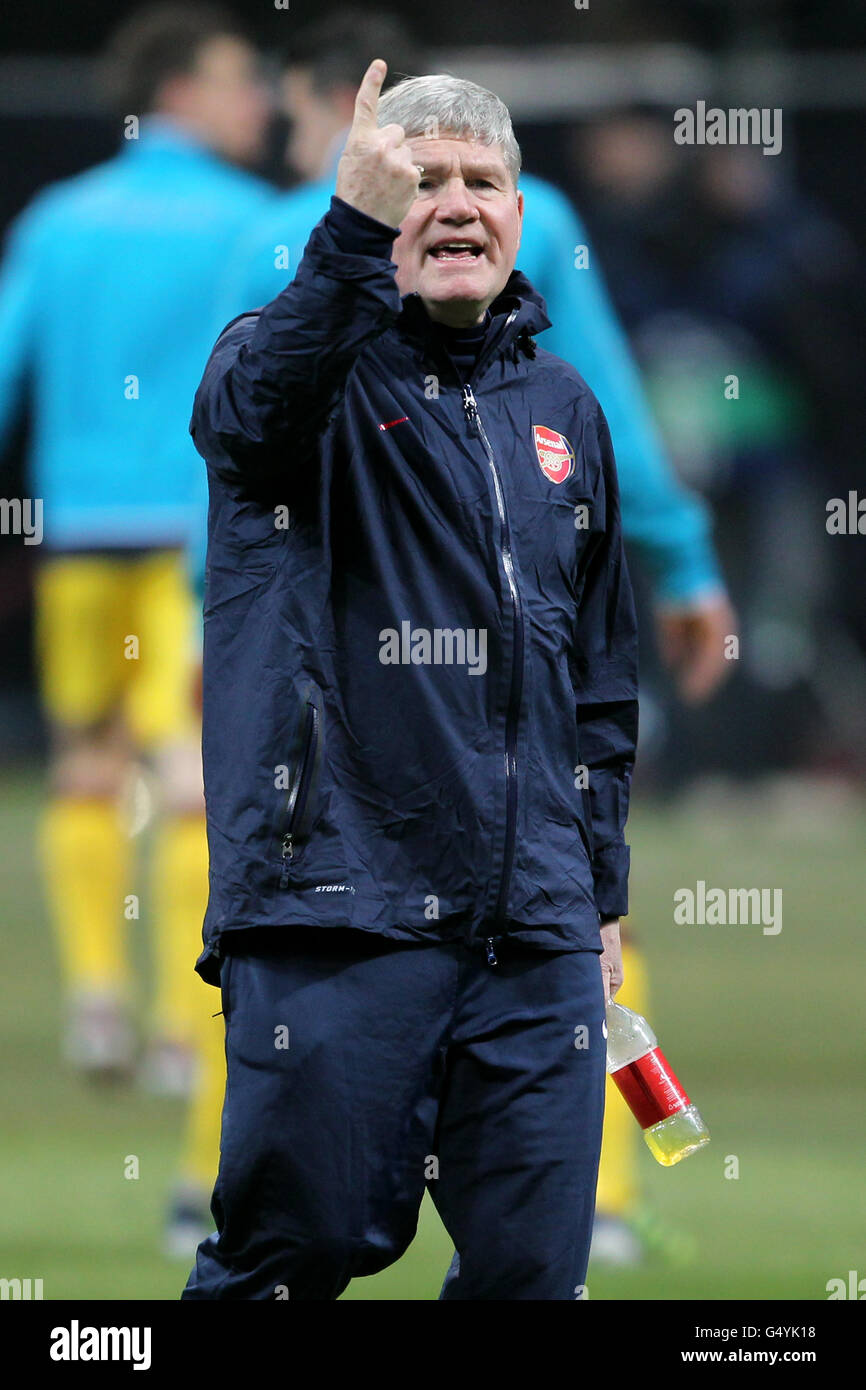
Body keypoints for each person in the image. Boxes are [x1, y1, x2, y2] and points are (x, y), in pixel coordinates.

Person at [206, 11, 735, 1265]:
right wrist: (342, 232)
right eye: (421, 181)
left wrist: (595, 891)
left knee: (532, 1275)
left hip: (535, 935)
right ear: (373, 206)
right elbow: (250, 414)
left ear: (517, 212)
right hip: (339, 911)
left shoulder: (564, 408)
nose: (455, 205)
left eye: (481, 182)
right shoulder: (297, 373)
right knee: (294, 1253)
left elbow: (597, 681)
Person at [0, 2, 271, 1089]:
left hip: (77, 533)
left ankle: (98, 1004)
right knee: (191, 772)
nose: (257, 101)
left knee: (85, 761)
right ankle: (177, 1023)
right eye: (239, 80)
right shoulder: (256, 223)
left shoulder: (59, 219)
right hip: (195, 536)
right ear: (179, 94)